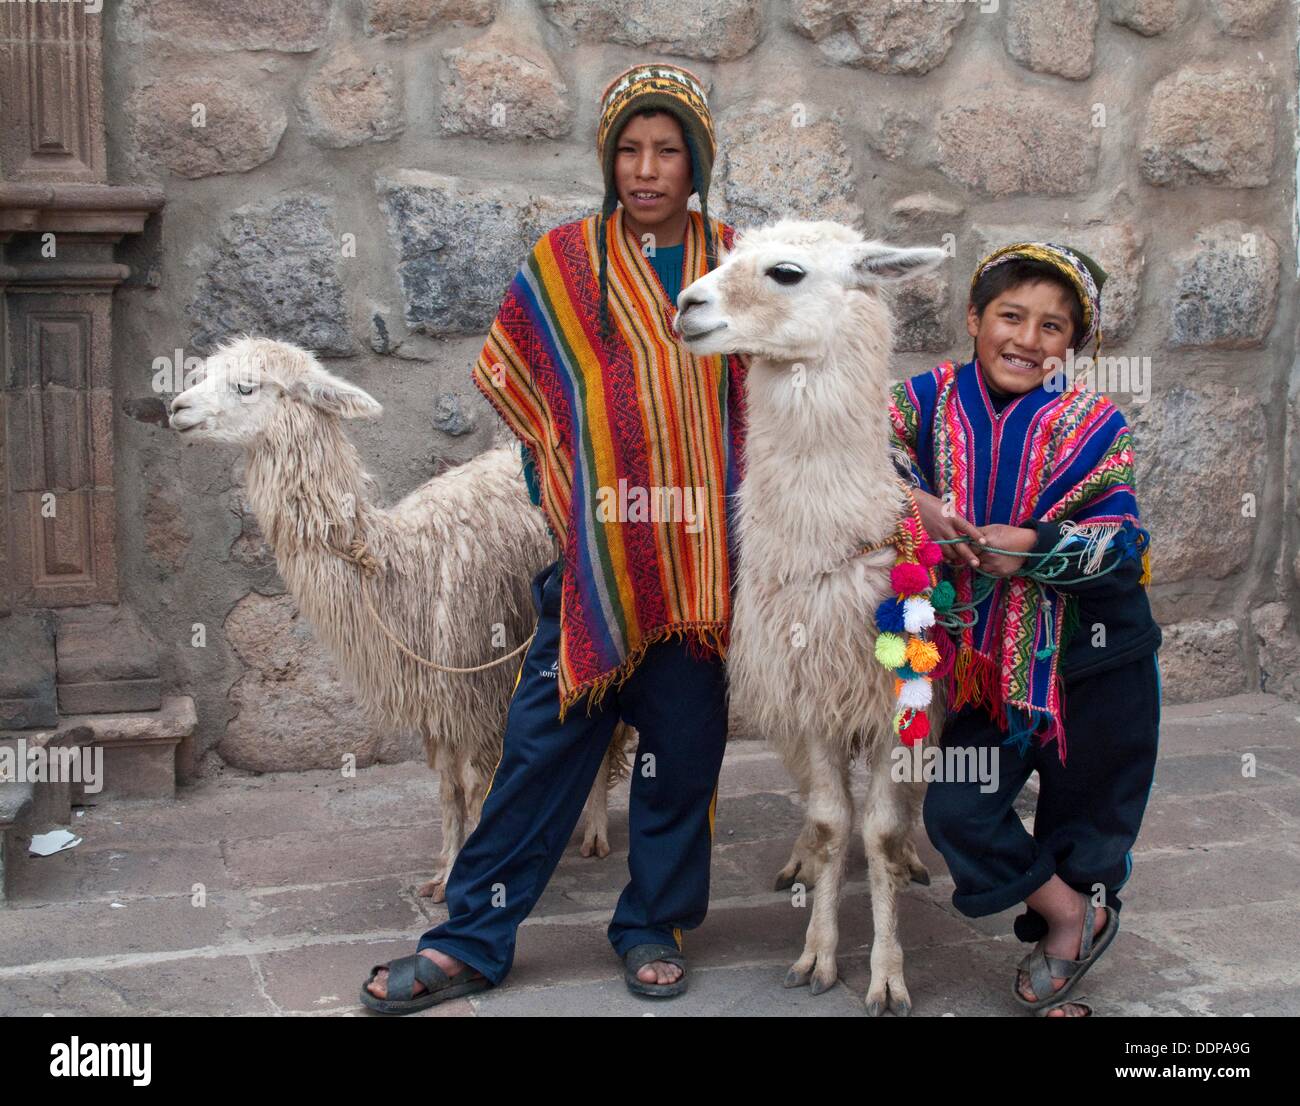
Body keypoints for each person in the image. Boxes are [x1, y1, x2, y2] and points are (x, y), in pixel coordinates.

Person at [360, 62, 747, 1014]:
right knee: (537, 751)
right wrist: (570, 511)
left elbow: (765, 407)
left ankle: (654, 924)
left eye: (667, 150)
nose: (645, 168)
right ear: (608, 159)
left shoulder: (741, 267)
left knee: (682, 760)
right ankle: (468, 940)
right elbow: (536, 404)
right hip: (594, 570)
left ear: (695, 162)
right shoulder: (563, 263)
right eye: (628, 149)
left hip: (701, 576)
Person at [890, 242, 1162, 1017]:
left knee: (1091, 816)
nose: (1028, 339)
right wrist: (917, 503)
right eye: (1011, 315)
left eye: (1053, 326)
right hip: (990, 668)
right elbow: (863, 453)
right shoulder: (924, 402)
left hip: (1099, 661)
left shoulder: (1096, 424)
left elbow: (1121, 543)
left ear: (1074, 344)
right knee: (957, 808)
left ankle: (1068, 933)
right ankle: (1073, 913)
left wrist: (1035, 548)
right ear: (975, 317)